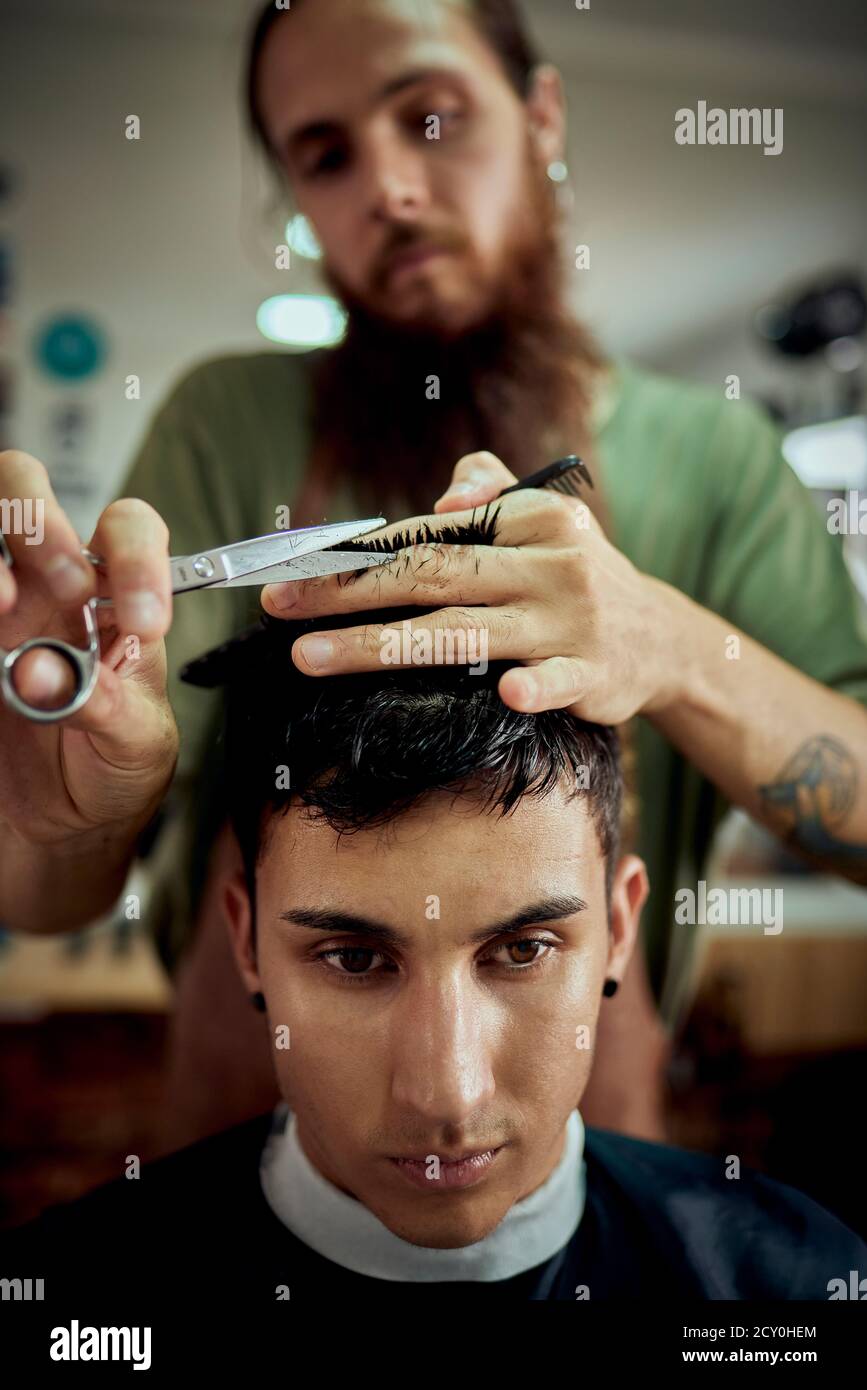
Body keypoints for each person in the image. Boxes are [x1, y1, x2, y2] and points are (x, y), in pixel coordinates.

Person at [1, 0, 866, 1148]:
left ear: (541, 113)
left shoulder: (717, 458)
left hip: (584, 1171)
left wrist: (668, 649)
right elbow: (45, 901)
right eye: (326, 153)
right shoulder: (225, 423)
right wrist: (60, 806)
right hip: (241, 1146)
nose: (391, 186)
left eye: (432, 115)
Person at [6, 527, 866, 1302]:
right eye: (353, 959)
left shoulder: (789, 1287)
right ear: (246, 941)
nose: (446, 1094)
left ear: (619, 927)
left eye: (523, 949)